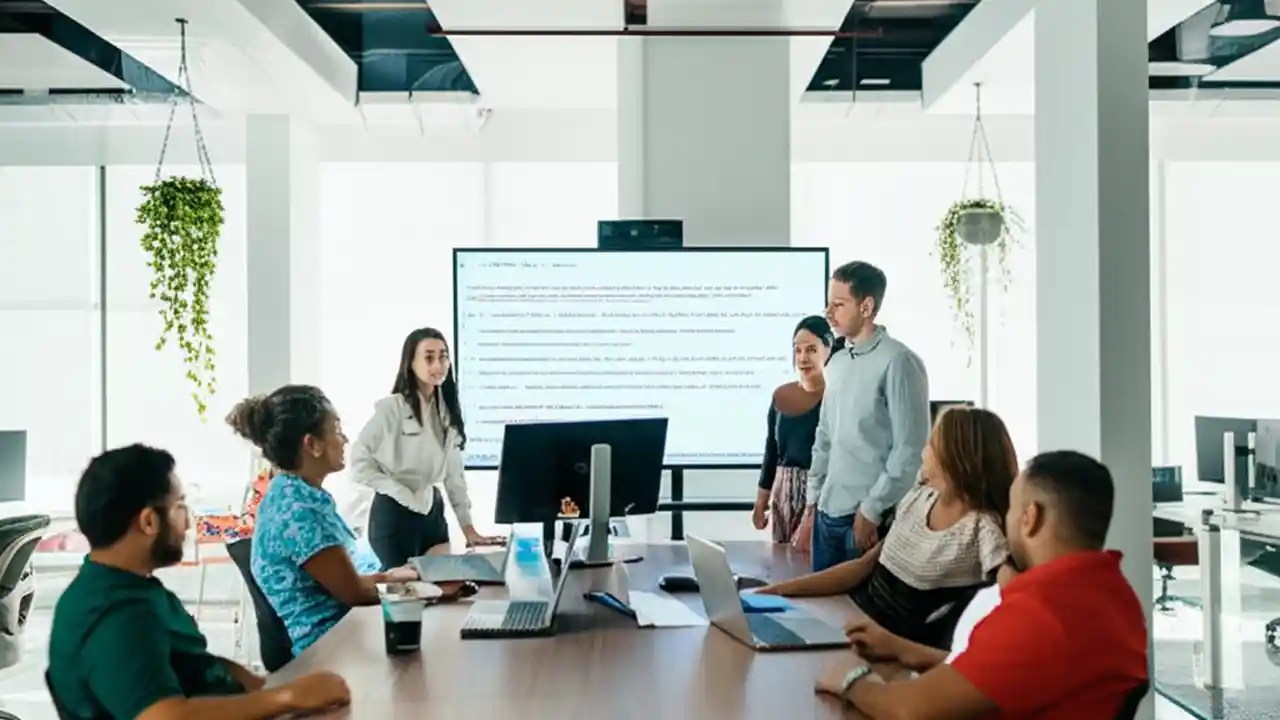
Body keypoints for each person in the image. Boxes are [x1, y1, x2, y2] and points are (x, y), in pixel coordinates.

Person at [815, 450, 1149, 719]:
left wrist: (851, 679)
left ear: (1031, 517)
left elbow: (909, 710)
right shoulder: (1115, 599)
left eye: (1011, 509)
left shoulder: (1041, 614)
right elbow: (997, 675)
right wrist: (902, 649)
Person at [46, 444, 350, 720]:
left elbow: (188, 663)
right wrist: (286, 698)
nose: (188, 522)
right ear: (149, 521)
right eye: (179, 506)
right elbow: (163, 716)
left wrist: (266, 688)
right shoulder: (116, 615)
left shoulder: (126, 586)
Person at [759, 407, 1014, 650]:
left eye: (931, 445)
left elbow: (1013, 600)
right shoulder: (918, 498)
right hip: (852, 620)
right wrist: (777, 591)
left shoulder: (983, 529)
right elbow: (862, 568)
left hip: (890, 646)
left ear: (957, 458)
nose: (923, 452)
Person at [227, 384, 419, 657]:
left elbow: (347, 579)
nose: (345, 439)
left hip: (354, 636)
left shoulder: (299, 494)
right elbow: (353, 592)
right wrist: (419, 588)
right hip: (332, 653)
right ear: (312, 445)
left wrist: (395, 577)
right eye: (337, 430)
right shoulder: (297, 510)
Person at [793, 260, 930, 572]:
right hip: (827, 517)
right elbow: (824, 438)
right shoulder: (837, 363)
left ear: (866, 306)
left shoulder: (899, 361)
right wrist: (812, 504)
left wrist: (871, 511)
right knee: (823, 617)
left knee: (859, 618)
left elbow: (910, 449)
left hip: (868, 521)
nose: (829, 314)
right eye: (829, 304)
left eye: (839, 305)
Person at [349, 327, 502, 570]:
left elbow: (454, 477)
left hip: (432, 511)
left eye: (443, 356)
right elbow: (358, 463)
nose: (438, 364)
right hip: (393, 514)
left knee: (441, 584)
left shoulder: (446, 411)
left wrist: (468, 529)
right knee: (403, 592)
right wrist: (397, 491)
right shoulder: (392, 409)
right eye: (429, 357)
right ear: (410, 363)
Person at [754, 315, 834, 542]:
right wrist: (761, 502)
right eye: (797, 350)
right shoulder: (780, 395)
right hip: (781, 496)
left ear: (827, 350)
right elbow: (771, 451)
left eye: (811, 350)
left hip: (819, 499)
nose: (803, 358)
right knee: (781, 567)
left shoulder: (835, 398)